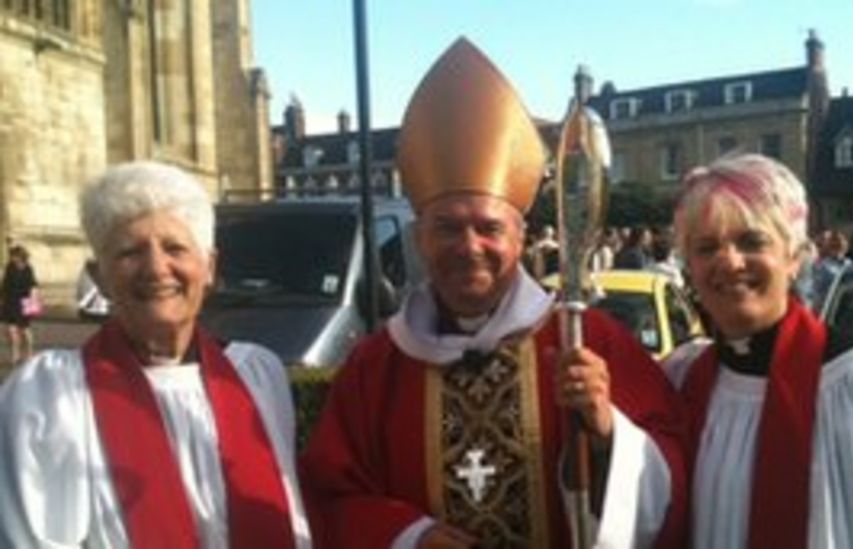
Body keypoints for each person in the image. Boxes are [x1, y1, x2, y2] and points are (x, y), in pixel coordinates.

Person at [300, 38, 686, 548]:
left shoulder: (588, 342)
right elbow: (328, 496)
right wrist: (408, 537)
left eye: (488, 228)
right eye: (447, 228)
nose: (469, 247)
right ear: (419, 239)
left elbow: (677, 476)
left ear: (521, 237)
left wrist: (608, 432)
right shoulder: (376, 367)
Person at [662, 153, 853, 549]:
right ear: (689, 266)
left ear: (794, 256)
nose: (729, 261)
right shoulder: (680, 377)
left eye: (751, 240)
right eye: (706, 247)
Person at [0, 162, 312, 548]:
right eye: (130, 251)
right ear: (99, 277)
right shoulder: (49, 399)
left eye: (175, 248)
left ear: (209, 267)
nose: (156, 268)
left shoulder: (257, 376)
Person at [0, 244, 39, 363]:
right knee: (11, 330)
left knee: (25, 330)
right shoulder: (9, 267)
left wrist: (33, 302)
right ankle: (15, 354)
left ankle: (30, 351)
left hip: (23, 302)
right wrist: (1, 298)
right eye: (11, 256)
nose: (12, 258)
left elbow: (33, 286)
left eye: (14, 256)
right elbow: (4, 283)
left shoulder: (28, 269)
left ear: (20, 256)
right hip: (10, 302)